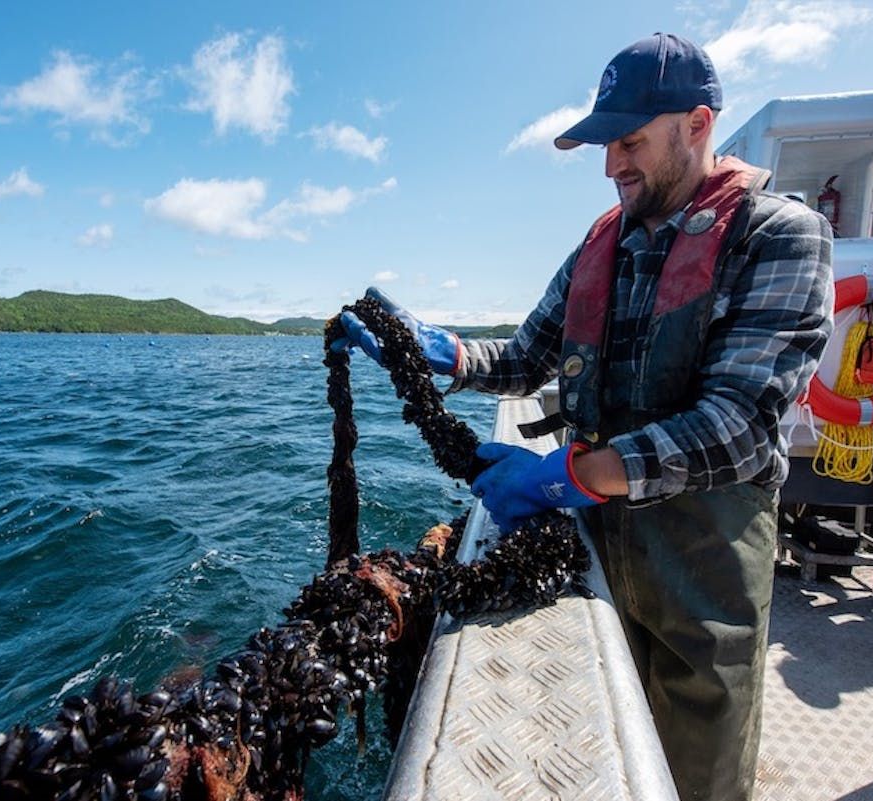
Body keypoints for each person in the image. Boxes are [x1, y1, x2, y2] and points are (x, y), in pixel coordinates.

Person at [333, 33, 834, 801]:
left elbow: (734, 425)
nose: (612, 166)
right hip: (597, 549)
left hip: (704, 576)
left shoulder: (778, 237)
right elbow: (529, 355)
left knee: (701, 772)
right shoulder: (600, 246)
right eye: (606, 144)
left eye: (630, 141)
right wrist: (442, 354)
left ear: (697, 125)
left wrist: (566, 476)